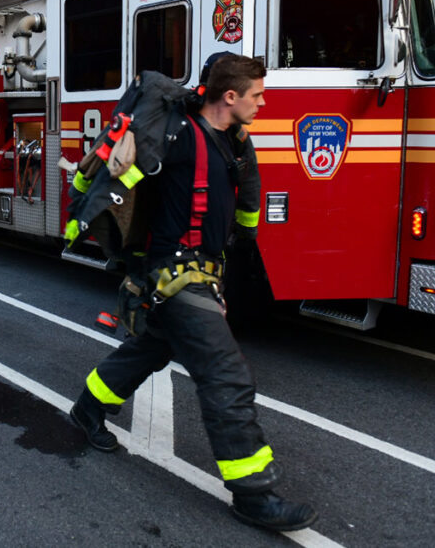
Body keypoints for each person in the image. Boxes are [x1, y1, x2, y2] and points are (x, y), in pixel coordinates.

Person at [68, 54, 318, 533]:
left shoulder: (232, 142)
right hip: (174, 275)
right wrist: (124, 162)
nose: (263, 103)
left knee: (149, 349)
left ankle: (87, 409)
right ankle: (253, 494)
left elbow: (241, 212)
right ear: (230, 97)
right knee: (226, 375)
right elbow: (122, 191)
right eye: (257, 95)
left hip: (203, 274)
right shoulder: (177, 139)